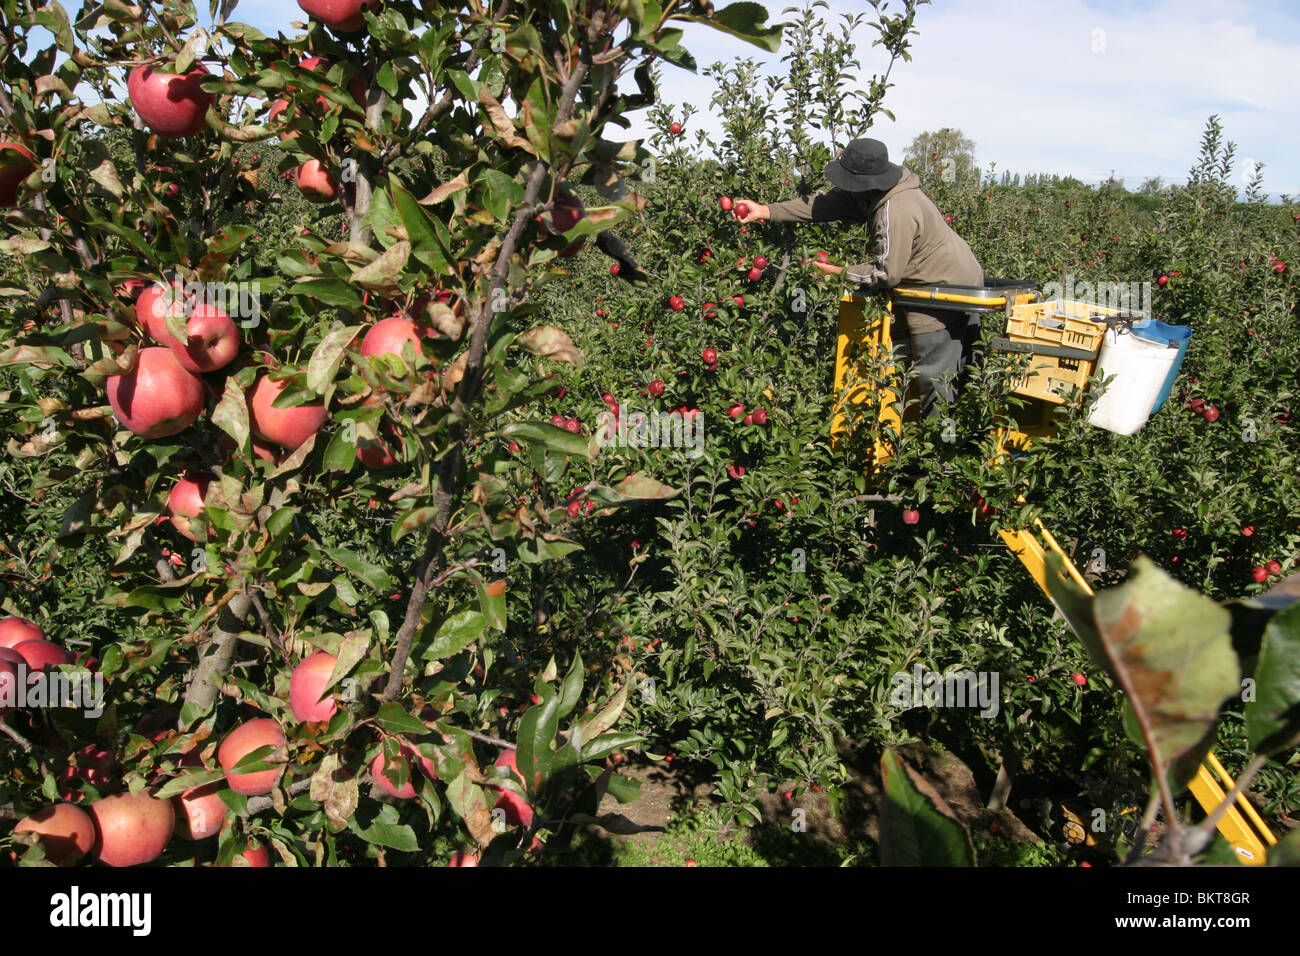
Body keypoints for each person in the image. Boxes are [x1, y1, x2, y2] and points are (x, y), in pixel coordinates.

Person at [736, 138, 985, 420]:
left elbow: (886, 273)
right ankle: (916, 441)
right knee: (920, 373)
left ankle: (937, 457)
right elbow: (826, 206)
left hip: (943, 294)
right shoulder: (876, 191)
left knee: (934, 381)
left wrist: (837, 273)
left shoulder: (895, 209)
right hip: (948, 280)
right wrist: (767, 211)